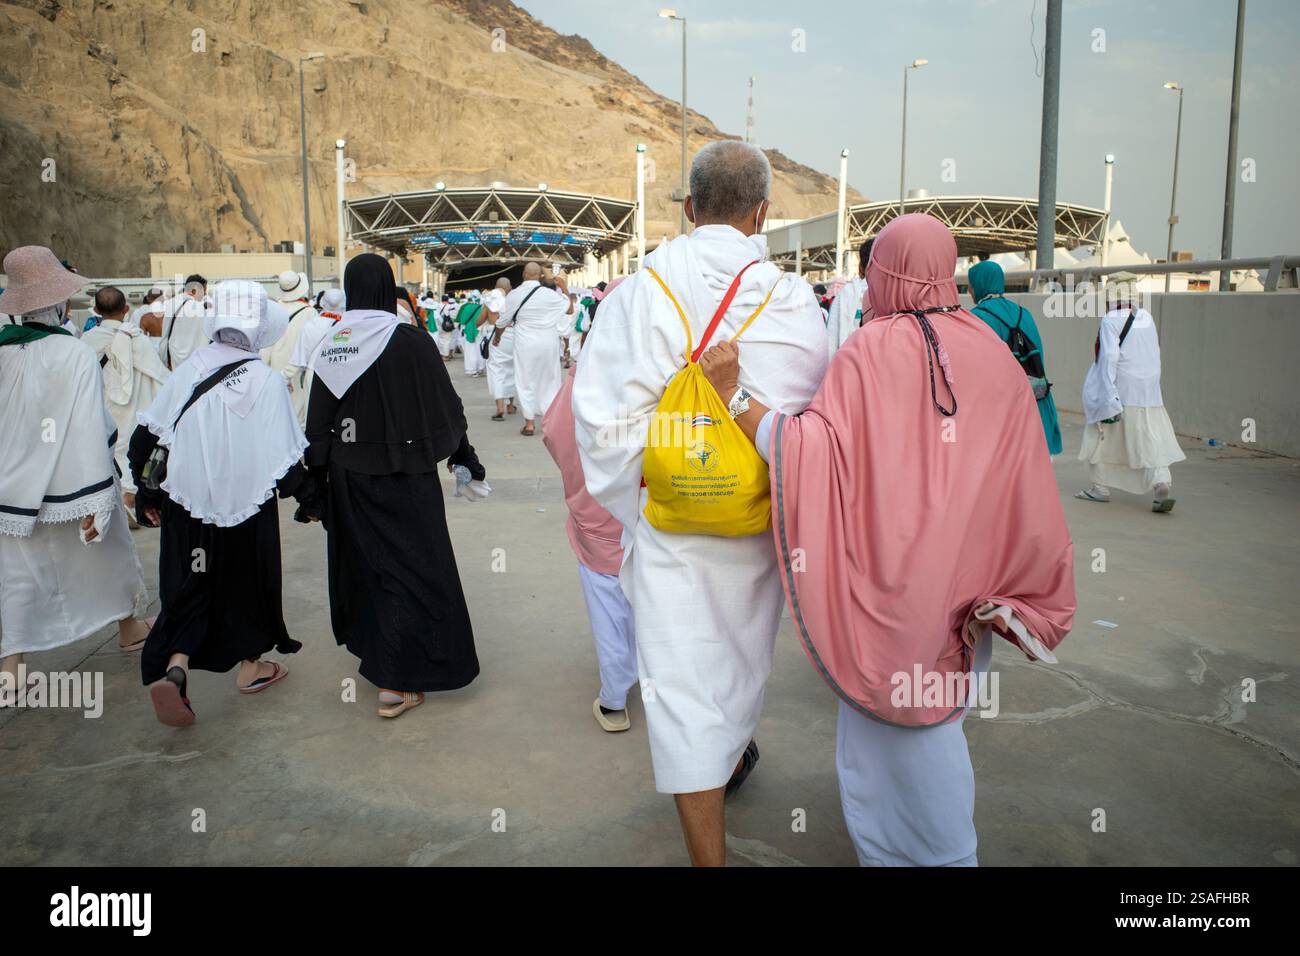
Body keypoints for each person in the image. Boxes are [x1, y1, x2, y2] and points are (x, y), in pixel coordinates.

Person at [694, 213, 1076, 867]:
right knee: (937, 719)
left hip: (894, 605)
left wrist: (733, 398)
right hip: (971, 599)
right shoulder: (991, 351)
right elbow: (1024, 482)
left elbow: (808, 455)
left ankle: (936, 854)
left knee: (902, 747)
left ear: (884, 273)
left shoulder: (867, 354)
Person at [572, 140, 828, 866]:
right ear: (763, 214)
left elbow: (600, 421)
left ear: (688, 209)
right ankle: (730, 754)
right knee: (741, 668)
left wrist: (646, 497)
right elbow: (807, 412)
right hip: (755, 526)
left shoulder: (639, 291)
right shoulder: (793, 299)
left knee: (684, 689)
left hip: (670, 528)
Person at [128, 281, 317, 726]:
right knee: (246, 583)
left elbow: (147, 437)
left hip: (186, 503)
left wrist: (149, 497)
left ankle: (176, 668)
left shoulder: (192, 366)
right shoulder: (267, 381)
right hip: (247, 509)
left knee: (190, 583)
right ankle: (251, 668)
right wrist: (317, 503)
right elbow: (287, 464)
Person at [305, 254, 483, 718]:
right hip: (408, 475)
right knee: (417, 568)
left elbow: (318, 424)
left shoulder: (334, 342)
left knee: (371, 567)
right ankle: (399, 679)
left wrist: (314, 488)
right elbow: (445, 405)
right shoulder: (410, 341)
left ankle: (385, 662)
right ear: (388, 289)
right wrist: (463, 458)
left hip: (350, 475)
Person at [0, 247, 150, 703]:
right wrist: (97, 500)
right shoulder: (72, 353)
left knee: (16, 578)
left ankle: (10, 670)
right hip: (73, 483)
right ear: (59, 303)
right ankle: (130, 628)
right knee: (108, 557)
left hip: (10, 490)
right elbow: (91, 427)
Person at [542, 277, 638, 732]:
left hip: (599, 516)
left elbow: (556, 433)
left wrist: (579, 486)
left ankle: (615, 699)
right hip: (658, 513)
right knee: (656, 604)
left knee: (608, 606)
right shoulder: (671, 371)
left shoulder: (584, 376)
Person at [1076, 274, 1185, 512]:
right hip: (1148, 392)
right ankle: (1161, 483)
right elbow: (1154, 353)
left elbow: (1109, 359)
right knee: (1150, 440)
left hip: (1121, 389)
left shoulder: (1110, 320)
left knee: (1100, 437)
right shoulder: (1146, 317)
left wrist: (1107, 395)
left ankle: (1100, 488)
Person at [80, 286, 171, 522]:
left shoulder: (87, 340)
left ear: (97, 310)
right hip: (138, 407)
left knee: (110, 451)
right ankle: (133, 494)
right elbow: (160, 376)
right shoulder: (137, 338)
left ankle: (116, 500)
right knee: (134, 452)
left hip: (103, 407)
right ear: (126, 309)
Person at [968, 260, 1063, 455]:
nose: (969, 290)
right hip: (1037, 409)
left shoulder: (975, 318)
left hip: (1004, 419)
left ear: (979, 284)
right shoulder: (1024, 313)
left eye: (970, 285)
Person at [502, 262, 571, 436]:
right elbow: (569, 310)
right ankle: (549, 422)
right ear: (540, 275)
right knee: (549, 379)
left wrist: (496, 338)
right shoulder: (550, 295)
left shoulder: (514, 295)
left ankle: (530, 423)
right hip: (548, 342)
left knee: (525, 380)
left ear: (524, 274)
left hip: (525, 343)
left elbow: (503, 321)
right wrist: (564, 288)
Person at [261, 271, 319, 426]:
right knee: (299, 420)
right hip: (299, 372)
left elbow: (263, 348)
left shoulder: (271, 311)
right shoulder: (310, 313)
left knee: (276, 419)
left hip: (273, 373)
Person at [825, 237, 872, 360]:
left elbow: (831, 343)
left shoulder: (844, 296)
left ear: (860, 269)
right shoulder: (896, 298)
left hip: (848, 367)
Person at [157, 274, 208, 370]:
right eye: (204, 290)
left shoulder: (170, 303)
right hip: (193, 361)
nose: (205, 294)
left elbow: (165, 332)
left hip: (172, 356)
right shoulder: (199, 307)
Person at [484, 277, 517, 420]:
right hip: (513, 336)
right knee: (512, 369)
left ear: (496, 287)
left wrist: (488, 316)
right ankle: (510, 405)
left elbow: (478, 322)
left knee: (497, 370)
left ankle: (499, 408)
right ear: (509, 288)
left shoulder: (489, 301)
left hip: (496, 336)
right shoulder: (514, 301)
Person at [455, 295, 487, 377]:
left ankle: (472, 370)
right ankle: (481, 368)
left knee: (470, 350)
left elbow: (462, 321)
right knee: (480, 349)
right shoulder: (483, 308)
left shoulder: (467, 307)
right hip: (480, 331)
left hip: (469, 331)